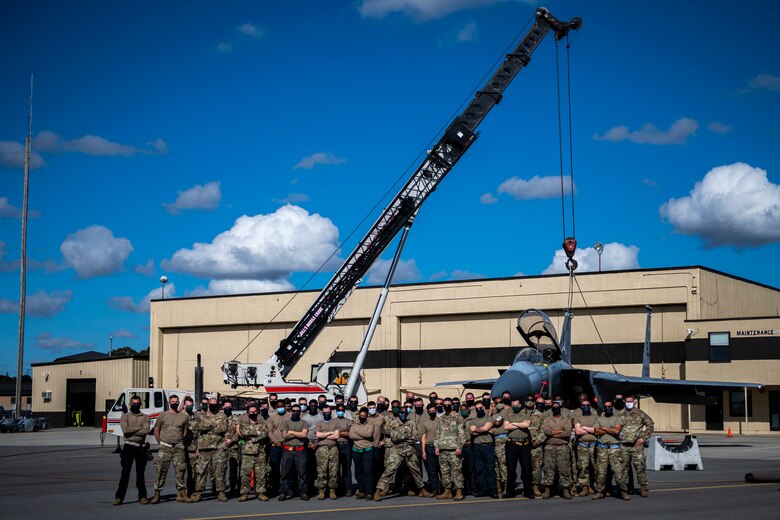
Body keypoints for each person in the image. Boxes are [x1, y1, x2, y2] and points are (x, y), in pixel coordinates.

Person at [373, 405, 433, 500]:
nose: (403, 414)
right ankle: (378, 491)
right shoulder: (393, 423)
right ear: (398, 413)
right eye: (401, 413)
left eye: (405, 413)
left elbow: (416, 437)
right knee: (389, 470)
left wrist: (403, 437)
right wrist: (407, 437)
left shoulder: (411, 423)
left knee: (416, 470)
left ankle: (422, 490)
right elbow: (394, 437)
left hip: (410, 450)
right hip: (397, 450)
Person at [151, 394, 190, 504]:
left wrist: (179, 440)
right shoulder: (162, 415)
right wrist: (161, 443)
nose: (175, 403)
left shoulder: (183, 417)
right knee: (161, 471)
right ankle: (157, 494)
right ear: (169, 402)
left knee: (180, 471)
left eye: (176, 401)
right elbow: (156, 430)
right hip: (165, 447)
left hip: (178, 447)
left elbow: (185, 431)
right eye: (173, 401)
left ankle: (182, 494)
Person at [114, 395, 151, 506]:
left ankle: (143, 496)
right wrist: (139, 428)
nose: (135, 405)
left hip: (140, 448)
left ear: (140, 404)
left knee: (140, 474)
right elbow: (125, 430)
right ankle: (119, 497)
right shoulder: (125, 416)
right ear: (130, 404)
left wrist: (133, 431)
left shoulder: (145, 417)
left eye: (137, 403)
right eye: (134, 403)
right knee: (125, 474)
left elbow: (145, 431)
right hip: (128, 447)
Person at [192, 397, 229, 503]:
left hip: (218, 448)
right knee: (201, 471)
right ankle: (199, 493)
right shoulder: (201, 415)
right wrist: (214, 424)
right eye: (211, 404)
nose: (213, 406)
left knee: (219, 471)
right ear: (208, 405)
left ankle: (221, 493)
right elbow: (200, 427)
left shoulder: (222, 415)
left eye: (215, 404)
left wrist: (208, 426)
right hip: (204, 448)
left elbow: (222, 429)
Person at [592, 400, 630, 500]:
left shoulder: (617, 418)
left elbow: (617, 431)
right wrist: (610, 430)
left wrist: (604, 428)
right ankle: (600, 491)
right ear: (604, 408)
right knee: (601, 472)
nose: (608, 408)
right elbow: (596, 432)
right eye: (606, 407)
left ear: (612, 407)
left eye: (609, 407)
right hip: (602, 448)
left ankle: (623, 491)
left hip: (614, 449)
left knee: (618, 472)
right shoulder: (599, 419)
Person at [620, 395, 654, 497]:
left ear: (634, 402)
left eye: (630, 401)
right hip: (623, 445)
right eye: (627, 401)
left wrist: (644, 437)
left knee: (640, 466)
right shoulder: (619, 414)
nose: (629, 403)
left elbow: (650, 424)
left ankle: (643, 487)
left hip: (636, 445)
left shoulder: (640, 413)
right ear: (624, 402)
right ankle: (626, 487)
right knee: (624, 468)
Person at [237, 403, 270, 502]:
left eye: (255, 412)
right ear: (247, 413)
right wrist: (257, 433)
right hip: (247, 453)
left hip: (260, 452)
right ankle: (244, 493)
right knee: (245, 474)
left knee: (261, 474)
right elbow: (243, 433)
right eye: (251, 412)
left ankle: (261, 492)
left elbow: (264, 433)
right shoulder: (244, 424)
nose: (253, 413)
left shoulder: (262, 423)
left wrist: (252, 434)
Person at [434, 401, 466, 500]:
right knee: (444, 471)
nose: (446, 406)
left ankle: (459, 491)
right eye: (445, 405)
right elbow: (438, 433)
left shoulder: (458, 417)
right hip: (442, 449)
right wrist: (436, 446)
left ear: (452, 405)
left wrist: (459, 447)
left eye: (448, 404)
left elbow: (462, 434)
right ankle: (447, 491)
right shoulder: (442, 418)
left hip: (454, 449)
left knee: (456, 471)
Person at [465, 401, 497, 498]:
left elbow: (486, 428)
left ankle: (493, 490)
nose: (479, 409)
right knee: (480, 469)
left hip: (488, 446)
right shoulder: (472, 420)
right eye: (477, 408)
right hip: (477, 446)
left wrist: (478, 430)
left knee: (490, 468)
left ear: (483, 408)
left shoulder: (489, 418)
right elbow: (472, 431)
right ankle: (483, 489)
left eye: (480, 408)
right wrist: (483, 430)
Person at [503, 397, 534, 499]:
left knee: (526, 468)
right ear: (511, 406)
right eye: (513, 405)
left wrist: (514, 424)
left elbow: (526, 425)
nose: (515, 407)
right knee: (511, 469)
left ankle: (528, 491)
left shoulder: (526, 414)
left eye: (517, 405)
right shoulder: (508, 415)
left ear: (520, 405)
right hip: (512, 444)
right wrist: (521, 424)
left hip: (524, 444)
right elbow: (506, 427)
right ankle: (510, 491)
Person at [542, 401, 573, 499]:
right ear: (551, 409)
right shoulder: (547, 420)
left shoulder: (566, 420)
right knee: (549, 469)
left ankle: (565, 490)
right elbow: (546, 431)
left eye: (557, 407)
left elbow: (567, 433)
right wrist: (560, 431)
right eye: (554, 407)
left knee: (564, 469)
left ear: (560, 409)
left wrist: (552, 433)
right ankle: (547, 490)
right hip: (550, 447)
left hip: (562, 447)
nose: (555, 408)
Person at [279, 404, 309, 501]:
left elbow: (304, 435)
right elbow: (284, 436)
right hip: (288, 450)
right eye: (294, 411)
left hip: (300, 450)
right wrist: (298, 434)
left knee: (302, 473)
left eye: (297, 411)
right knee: (285, 473)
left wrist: (291, 432)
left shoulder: (304, 423)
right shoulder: (286, 422)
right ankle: (283, 492)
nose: (296, 413)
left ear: (300, 412)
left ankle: (303, 492)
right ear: (291, 412)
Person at [350, 407, 378, 500]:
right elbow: (351, 435)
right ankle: (361, 491)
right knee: (358, 472)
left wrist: (357, 432)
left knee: (368, 471)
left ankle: (369, 492)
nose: (362, 417)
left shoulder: (370, 425)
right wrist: (363, 435)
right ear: (359, 415)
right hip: (356, 450)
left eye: (364, 416)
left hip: (367, 450)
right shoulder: (354, 424)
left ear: (366, 416)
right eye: (361, 415)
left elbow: (369, 434)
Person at [314, 404, 340, 500]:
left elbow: (336, 436)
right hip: (322, 448)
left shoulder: (335, 422)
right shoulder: (319, 423)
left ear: (331, 412)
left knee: (333, 469)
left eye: (328, 412)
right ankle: (322, 490)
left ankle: (332, 490)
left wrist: (324, 435)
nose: (327, 414)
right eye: (325, 412)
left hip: (333, 448)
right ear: (322, 413)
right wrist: (330, 432)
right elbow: (318, 435)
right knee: (322, 470)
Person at [574, 398, 598, 496]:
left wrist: (584, 427)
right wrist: (590, 429)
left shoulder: (596, 417)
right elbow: (577, 431)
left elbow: (597, 430)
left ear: (590, 406)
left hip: (594, 445)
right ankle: (585, 487)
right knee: (583, 467)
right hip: (582, 445)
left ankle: (593, 486)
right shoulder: (578, 417)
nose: (585, 407)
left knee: (595, 466)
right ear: (581, 407)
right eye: (583, 405)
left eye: (587, 405)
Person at [420, 401, 441, 496]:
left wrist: (439, 446)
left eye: (433, 411)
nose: (432, 412)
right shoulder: (425, 423)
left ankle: (444, 488)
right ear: (427, 411)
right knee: (432, 470)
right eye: (430, 411)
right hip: (429, 447)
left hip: (440, 447)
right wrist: (423, 451)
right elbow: (423, 437)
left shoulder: (440, 420)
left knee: (441, 469)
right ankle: (435, 488)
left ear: (436, 410)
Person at [303, 399, 323, 496]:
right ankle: (309, 487)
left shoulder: (321, 417)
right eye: (311, 406)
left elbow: (323, 431)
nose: (313, 408)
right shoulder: (304, 417)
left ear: (317, 406)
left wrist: (317, 443)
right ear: (308, 406)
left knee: (320, 467)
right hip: (308, 444)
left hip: (319, 444)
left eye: (315, 406)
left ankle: (320, 488)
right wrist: (308, 443)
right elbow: (303, 431)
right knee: (308, 467)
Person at [333, 404, 354, 496]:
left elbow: (350, 433)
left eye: (342, 410)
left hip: (346, 445)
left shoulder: (348, 421)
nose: (340, 412)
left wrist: (338, 433)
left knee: (346, 467)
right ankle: (338, 488)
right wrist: (342, 433)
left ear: (344, 411)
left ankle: (348, 489)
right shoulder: (333, 421)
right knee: (335, 467)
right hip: (335, 445)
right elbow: (331, 433)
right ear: (336, 411)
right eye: (338, 410)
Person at [267, 401, 287, 497]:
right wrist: (275, 441)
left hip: (287, 445)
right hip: (275, 446)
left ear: (285, 406)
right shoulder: (272, 417)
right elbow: (269, 431)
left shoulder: (290, 416)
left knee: (287, 468)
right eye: (278, 406)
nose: (280, 408)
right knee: (275, 468)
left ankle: (287, 488)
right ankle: (275, 488)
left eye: (282, 406)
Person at [221, 400, 240, 497]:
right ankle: (220, 489)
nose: (228, 408)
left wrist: (231, 440)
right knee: (221, 469)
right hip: (221, 447)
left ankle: (233, 487)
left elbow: (238, 433)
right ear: (223, 407)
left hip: (233, 447)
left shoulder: (236, 419)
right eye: (226, 406)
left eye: (229, 406)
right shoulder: (219, 418)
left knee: (233, 468)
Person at [529, 397, 547, 497]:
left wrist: (537, 442)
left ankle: (536, 486)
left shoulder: (542, 416)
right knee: (527, 467)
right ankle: (528, 486)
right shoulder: (525, 414)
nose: (540, 405)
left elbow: (543, 431)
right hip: (525, 445)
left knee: (537, 467)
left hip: (537, 446)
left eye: (542, 403)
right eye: (538, 403)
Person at [182, 396, 198, 498]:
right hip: (181, 448)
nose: (189, 407)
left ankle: (191, 491)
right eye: (187, 405)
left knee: (192, 472)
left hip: (192, 449)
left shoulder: (195, 417)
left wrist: (198, 448)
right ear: (184, 405)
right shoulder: (180, 416)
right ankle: (181, 493)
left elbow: (198, 434)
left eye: (191, 405)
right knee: (181, 472)